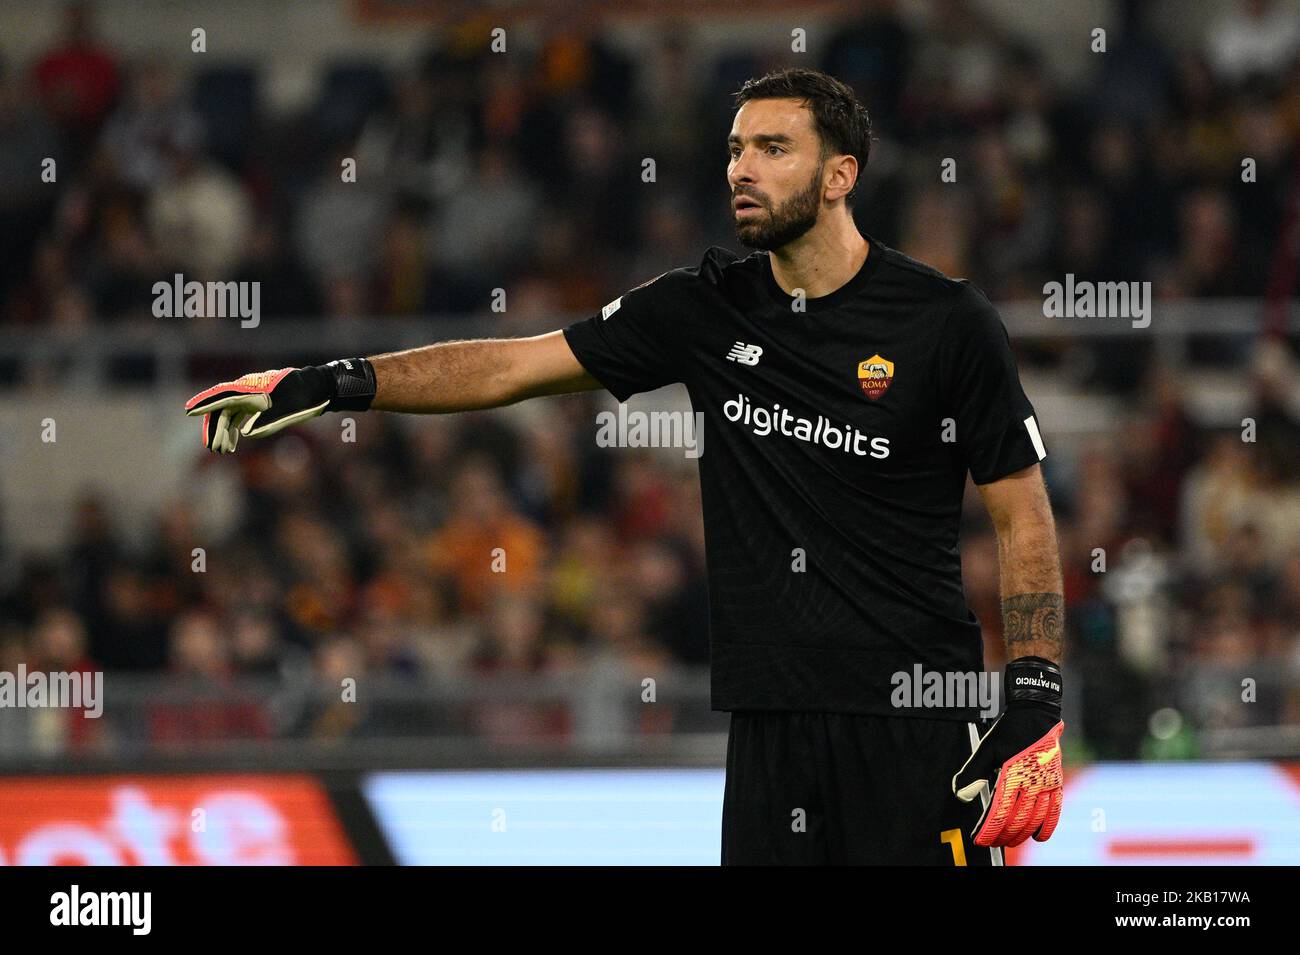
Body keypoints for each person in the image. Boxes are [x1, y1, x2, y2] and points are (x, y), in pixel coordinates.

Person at [183, 68, 1064, 865]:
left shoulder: (947, 321)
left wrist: (1033, 694)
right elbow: (512, 366)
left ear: (841, 176)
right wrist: (339, 381)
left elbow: (1022, 513)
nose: (740, 170)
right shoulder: (702, 308)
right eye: (734, 150)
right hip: (768, 729)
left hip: (914, 724)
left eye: (772, 148)